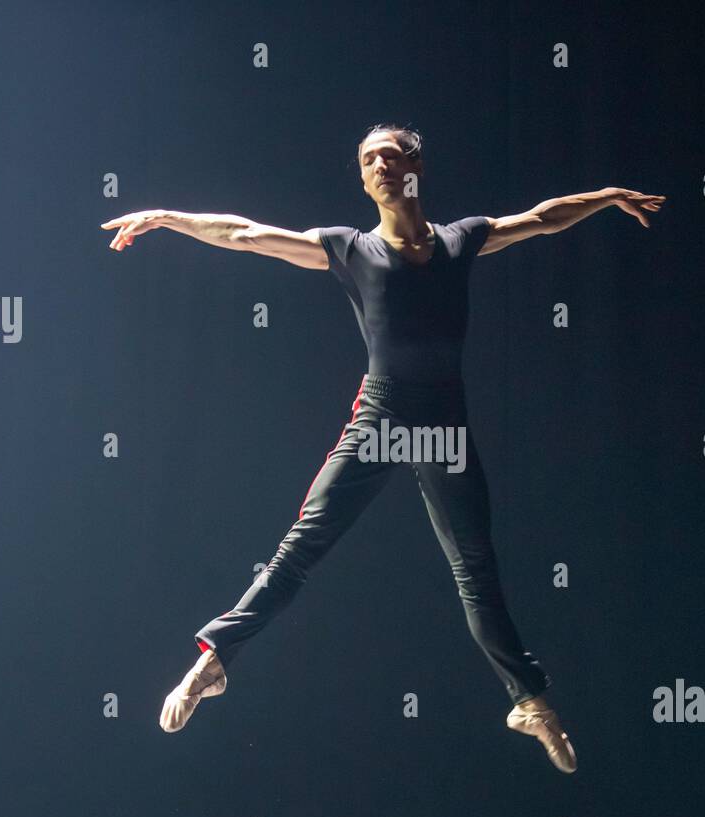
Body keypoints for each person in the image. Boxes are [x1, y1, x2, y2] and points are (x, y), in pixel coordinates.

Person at [101, 124, 665, 773]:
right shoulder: (350, 250)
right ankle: (214, 661)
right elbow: (245, 234)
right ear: (363, 178)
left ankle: (529, 701)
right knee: (300, 547)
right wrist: (169, 218)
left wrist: (606, 195)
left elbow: (540, 219)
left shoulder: (460, 241)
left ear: (417, 167)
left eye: (392, 156)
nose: (381, 166)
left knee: (475, 570)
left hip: (443, 424)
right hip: (381, 417)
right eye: (369, 159)